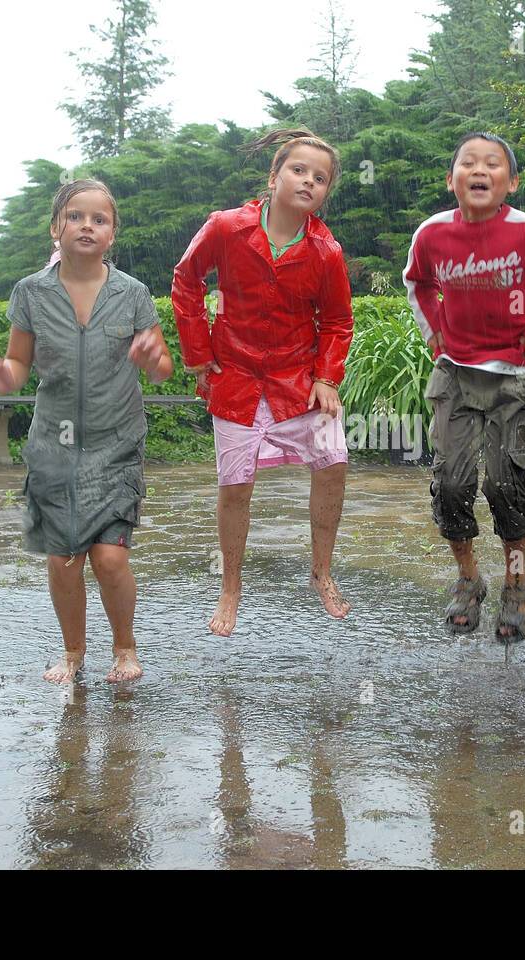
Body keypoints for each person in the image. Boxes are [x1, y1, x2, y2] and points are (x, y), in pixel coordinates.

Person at [0, 179, 174, 683]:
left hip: (117, 444)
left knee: (109, 558)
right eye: (75, 216)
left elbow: (163, 369)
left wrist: (154, 358)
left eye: (99, 219)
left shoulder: (132, 294)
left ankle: (125, 649)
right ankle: (72, 652)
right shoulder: (31, 293)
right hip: (54, 448)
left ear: (112, 235)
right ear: (55, 228)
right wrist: (4, 377)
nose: (87, 225)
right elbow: (19, 362)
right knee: (64, 560)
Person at [404, 132, 525, 642]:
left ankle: (516, 585)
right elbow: (416, 282)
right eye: (468, 162)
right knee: (450, 485)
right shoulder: (431, 234)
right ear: (452, 180)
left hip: (513, 377)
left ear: (510, 181)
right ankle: (468, 580)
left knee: (505, 486)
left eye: (493, 164)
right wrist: (434, 331)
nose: (479, 170)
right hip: (454, 375)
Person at [172, 129, 354, 638]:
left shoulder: (325, 250)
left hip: (298, 380)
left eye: (321, 178)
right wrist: (198, 357)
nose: (308, 181)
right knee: (235, 485)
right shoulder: (226, 229)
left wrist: (326, 377)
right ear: (274, 178)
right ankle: (230, 586)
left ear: (324, 194)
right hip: (235, 377)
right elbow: (186, 280)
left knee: (334, 461)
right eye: (298, 170)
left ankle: (321, 571)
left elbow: (338, 321)